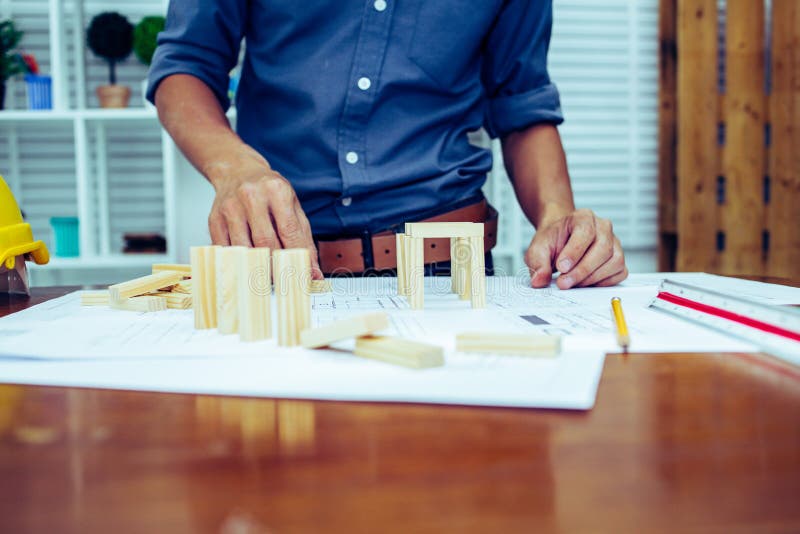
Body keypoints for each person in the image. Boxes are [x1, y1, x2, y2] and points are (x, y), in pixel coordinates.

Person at [148, 0, 628, 288]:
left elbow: (521, 101)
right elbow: (185, 65)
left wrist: (557, 218)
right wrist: (237, 170)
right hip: (282, 266)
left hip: (448, 273)